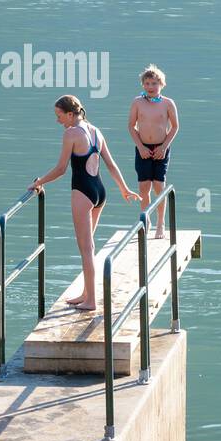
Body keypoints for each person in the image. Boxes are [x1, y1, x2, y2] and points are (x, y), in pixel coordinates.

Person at [28, 95, 138, 312]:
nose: (58, 121)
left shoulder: (72, 134)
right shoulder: (96, 131)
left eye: (59, 116)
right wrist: (124, 189)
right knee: (89, 247)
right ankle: (86, 293)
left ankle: (91, 301)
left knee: (86, 249)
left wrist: (38, 182)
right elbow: (111, 164)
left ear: (70, 114)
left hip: (83, 193)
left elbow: (61, 169)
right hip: (99, 192)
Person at [127, 65, 179, 238]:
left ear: (161, 84)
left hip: (160, 148)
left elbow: (175, 127)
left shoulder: (168, 103)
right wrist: (140, 147)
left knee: (159, 185)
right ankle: (145, 220)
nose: (151, 87)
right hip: (143, 148)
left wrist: (163, 147)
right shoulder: (137, 102)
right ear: (143, 85)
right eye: (147, 83)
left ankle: (160, 223)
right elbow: (131, 126)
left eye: (154, 83)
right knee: (144, 187)